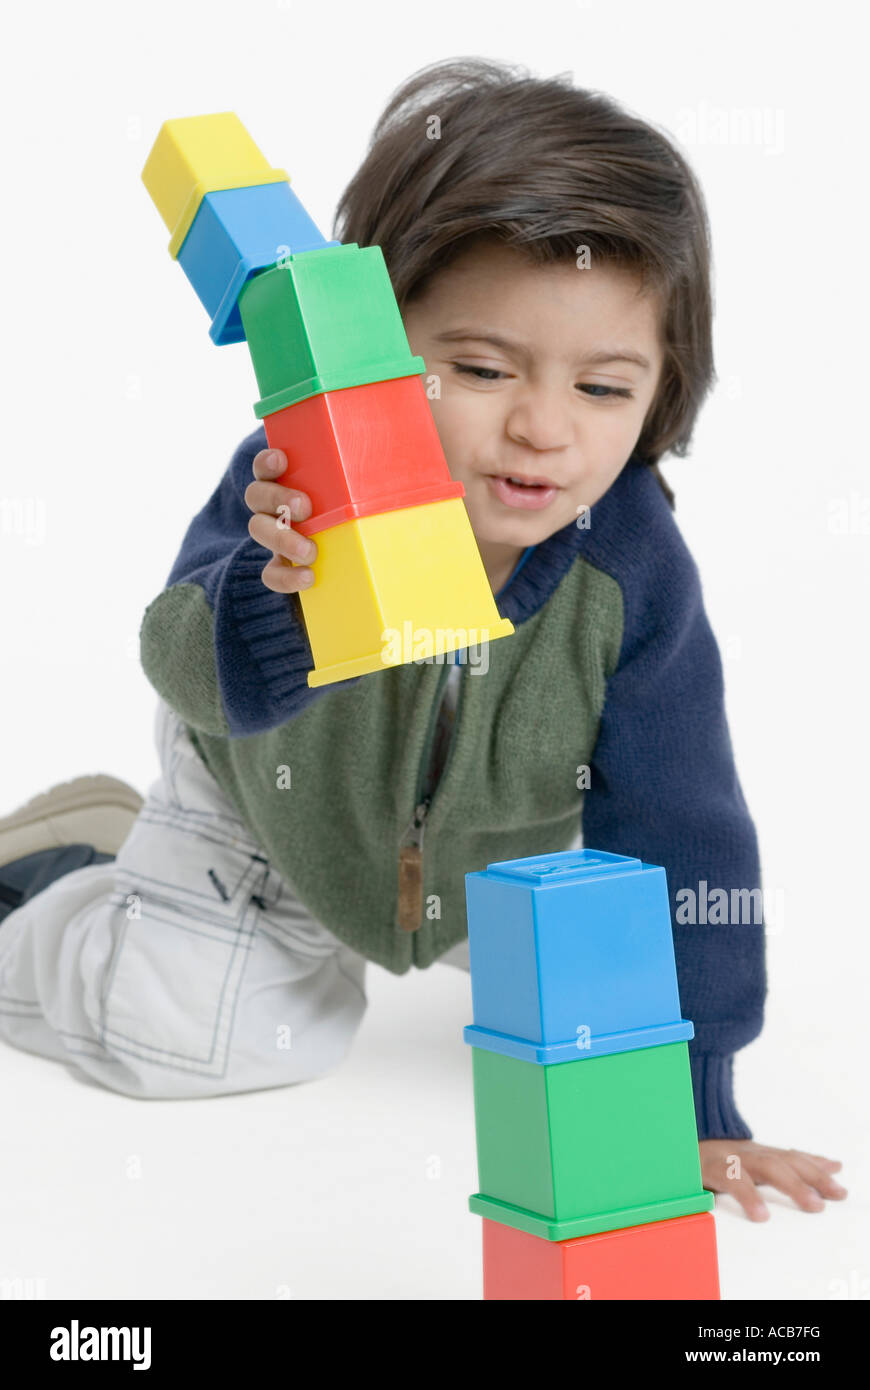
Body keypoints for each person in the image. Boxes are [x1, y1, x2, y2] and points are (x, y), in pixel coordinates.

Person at [0, 58, 846, 1223]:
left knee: (583, 999)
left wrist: (692, 1095)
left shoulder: (630, 567)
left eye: (604, 388)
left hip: (477, 863)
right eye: (482, 369)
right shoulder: (299, 475)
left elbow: (683, 825)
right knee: (192, 1035)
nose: (542, 428)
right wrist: (276, 602)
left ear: (663, 393)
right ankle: (53, 889)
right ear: (376, 340)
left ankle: (348, 908)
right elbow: (179, 661)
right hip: (269, 810)